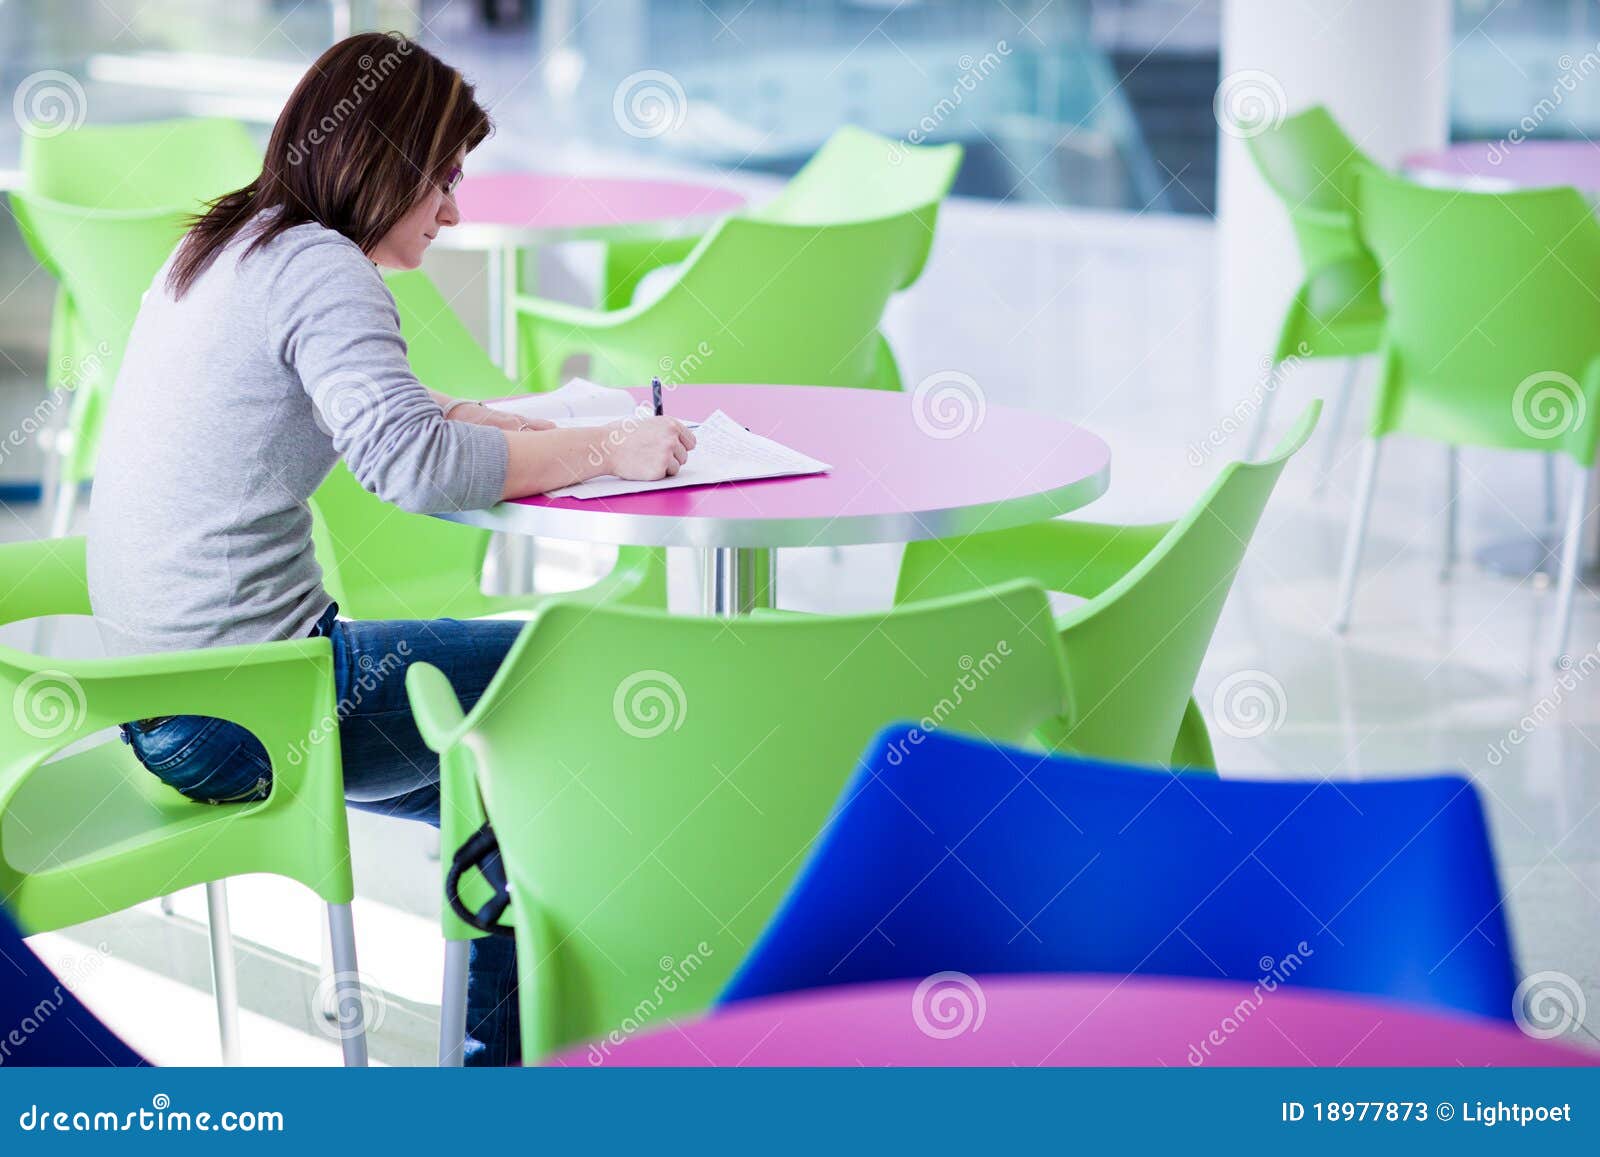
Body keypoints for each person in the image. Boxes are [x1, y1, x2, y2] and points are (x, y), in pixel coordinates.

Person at [84, 30, 694, 1066]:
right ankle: (512, 1069)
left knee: (514, 776)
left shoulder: (234, 242)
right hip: (252, 707)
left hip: (161, 703)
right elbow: (409, 467)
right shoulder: (322, 267)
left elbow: (361, 405)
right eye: (443, 178)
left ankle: (525, 1048)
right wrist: (608, 446)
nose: (453, 211)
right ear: (384, 160)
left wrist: (468, 414)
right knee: (576, 682)